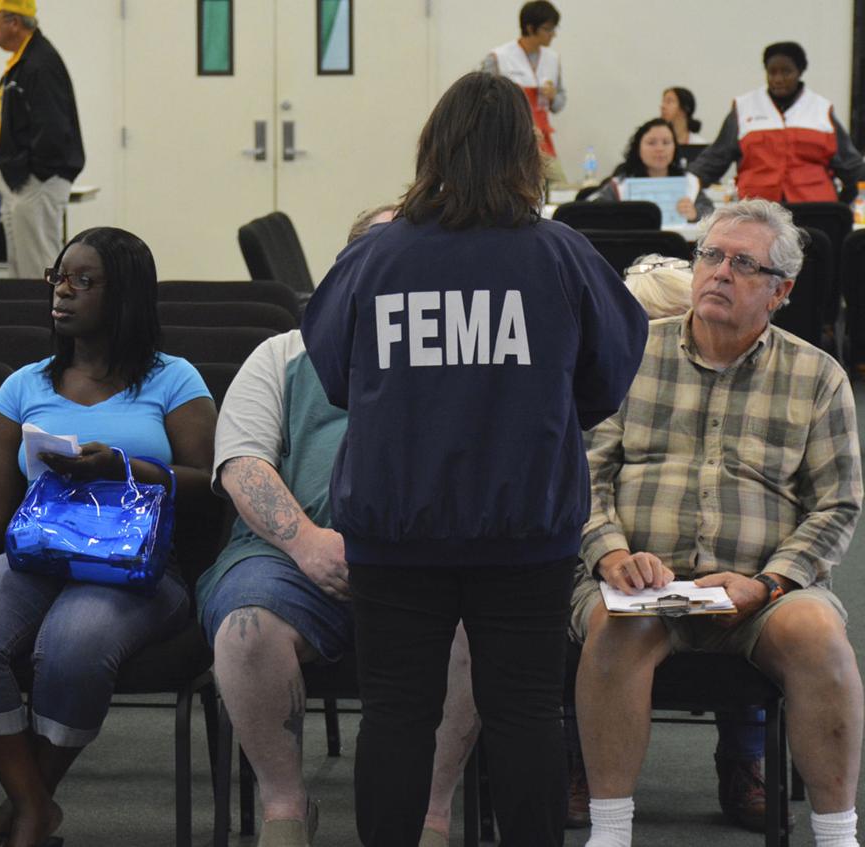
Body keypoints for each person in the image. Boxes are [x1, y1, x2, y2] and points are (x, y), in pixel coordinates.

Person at [300, 71, 648, 847]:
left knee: (394, 715)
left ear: (432, 150)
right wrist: (541, 413)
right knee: (524, 713)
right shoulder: (562, 255)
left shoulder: (373, 259)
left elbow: (335, 377)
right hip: (525, 530)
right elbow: (610, 372)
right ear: (524, 155)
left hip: (395, 529)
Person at [573, 199, 864, 847]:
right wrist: (610, 553)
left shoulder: (817, 377)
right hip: (639, 577)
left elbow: (837, 505)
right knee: (620, 619)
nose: (718, 272)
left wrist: (767, 582)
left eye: (742, 263)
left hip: (764, 591)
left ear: (780, 290)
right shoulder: (629, 354)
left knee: (821, 634)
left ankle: (838, 835)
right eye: (709, 255)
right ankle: (610, 832)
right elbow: (582, 471)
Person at [199, 205, 479, 847]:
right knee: (246, 630)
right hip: (289, 554)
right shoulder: (282, 352)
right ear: (348, 267)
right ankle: (286, 811)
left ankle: (431, 816)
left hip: (428, 560)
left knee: (477, 627)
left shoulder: (461, 351)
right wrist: (307, 542)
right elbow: (242, 463)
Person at [0, 226, 216, 847]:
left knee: (73, 642)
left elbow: (207, 483)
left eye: (81, 282)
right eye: (57, 278)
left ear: (126, 296)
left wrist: (123, 466)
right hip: (39, 553)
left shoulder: (173, 380)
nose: (61, 292)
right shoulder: (24, 385)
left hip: (140, 562)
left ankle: (24, 812)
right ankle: (32, 806)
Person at [0, 0, 84, 279]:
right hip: (19, 183)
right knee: (21, 271)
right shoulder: (23, 61)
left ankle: (46, 322)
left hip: (35, 183)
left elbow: (53, 129)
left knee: (37, 267)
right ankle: (29, 321)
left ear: (14, 22)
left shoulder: (40, 63)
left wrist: (32, 175)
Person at [690, 42, 865, 203]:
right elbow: (715, 159)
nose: (778, 79)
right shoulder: (744, 108)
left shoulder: (821, 109)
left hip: (815, 207)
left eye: (786, 72)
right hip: (759, 209)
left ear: (800, 72)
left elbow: (851, 167)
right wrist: (684, 184)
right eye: (772, 72)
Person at [483, 1, 566, 180]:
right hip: (508, 138)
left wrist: (552, 97)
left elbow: (560, 103)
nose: (553, 34)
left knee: (558, 184)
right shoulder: (499, 57)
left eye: (554, 28)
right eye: (548, 29)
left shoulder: (552, 59)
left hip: (542, 138)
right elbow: (483, 99)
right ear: (530, 27)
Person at [587, 118, 713, 223]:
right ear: (638, 148)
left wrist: (696, 213)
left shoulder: (688, 182)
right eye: (651, 143)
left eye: (666, 142)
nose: (660, 149)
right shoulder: (621, 184)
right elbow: (589, 210)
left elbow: (711, 213)